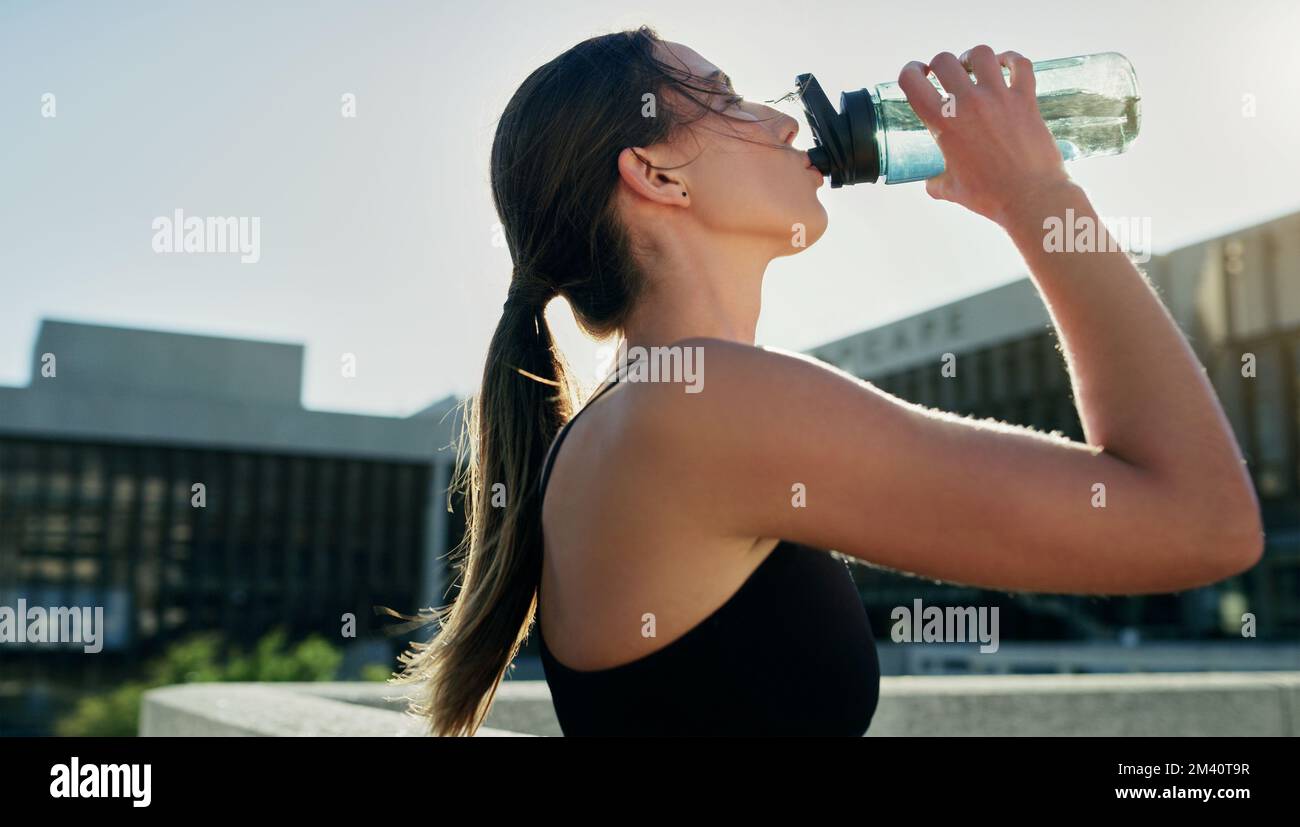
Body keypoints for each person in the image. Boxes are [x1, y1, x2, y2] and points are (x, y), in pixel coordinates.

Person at [394, 26, 1263, 736]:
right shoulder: (695, 407)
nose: (779, 123)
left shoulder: (658, 410)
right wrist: (1036, 193)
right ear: (655, 175)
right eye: (728, 97)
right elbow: (1199, 518)